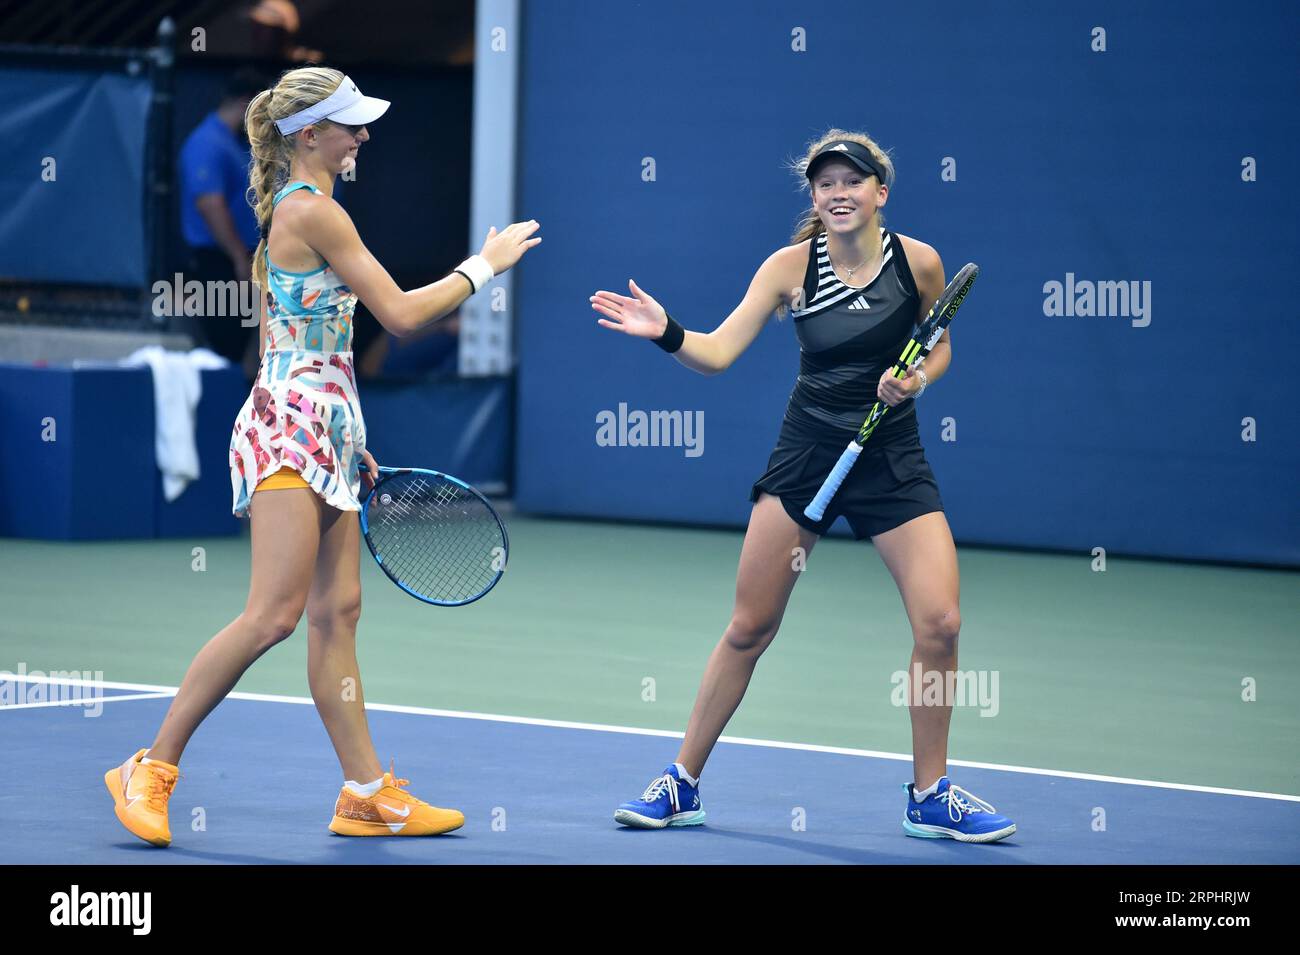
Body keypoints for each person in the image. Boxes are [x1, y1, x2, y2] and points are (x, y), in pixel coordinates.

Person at [105, 67, 541, 847]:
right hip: (285, 430)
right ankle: (149, 766)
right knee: (271, 615)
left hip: (322, 426)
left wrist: (350, 437)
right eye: (351, 125)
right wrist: (486, 266)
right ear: (311, 136)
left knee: (336, 615)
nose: (363, 136)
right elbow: (402, 316)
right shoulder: (311, 214)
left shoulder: (304, 211)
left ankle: (366, 792)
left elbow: (300, 337)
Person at [592, 131, 1016, 844]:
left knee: (940, 624)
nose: (839, 192)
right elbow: (719, 352)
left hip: (891, 461)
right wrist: (667, 330)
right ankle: (681, 780)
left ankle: (930, 792)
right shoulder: (789, 269)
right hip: (809, 455)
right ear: (814, 197)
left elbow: (938, 344)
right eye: (826, 183)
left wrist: (916, 381)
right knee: (750, 626)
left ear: (881, 191)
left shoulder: (920, 263)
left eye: (854, 180)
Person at [177, 68, 269, 370]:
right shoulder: (207, 143)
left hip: (239, 264)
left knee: (242, 347)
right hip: (219, 265)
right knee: (224, 351)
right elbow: (210, 205)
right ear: (246, 103)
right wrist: (238, 258)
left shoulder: (236, 144)